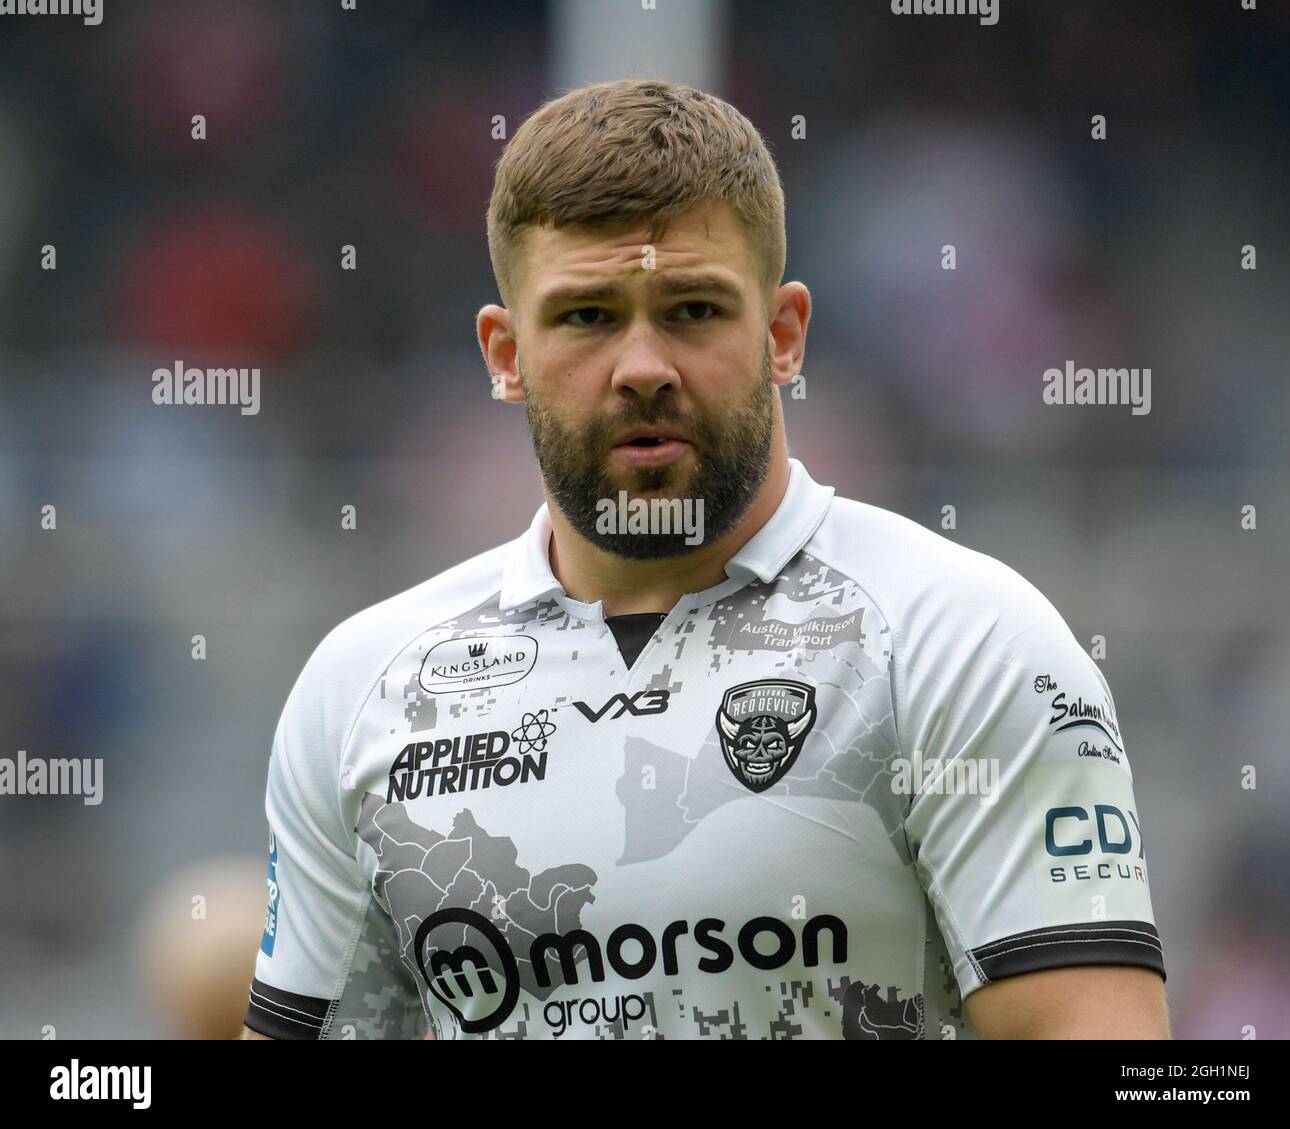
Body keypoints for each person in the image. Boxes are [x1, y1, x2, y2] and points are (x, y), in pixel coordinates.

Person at [240, 78, 1167, 1040]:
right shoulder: (363, 691)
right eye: (588, 316)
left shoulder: (961, 637)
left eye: (691, 308)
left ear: (782, 335)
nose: (643, 365)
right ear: (505, 353)